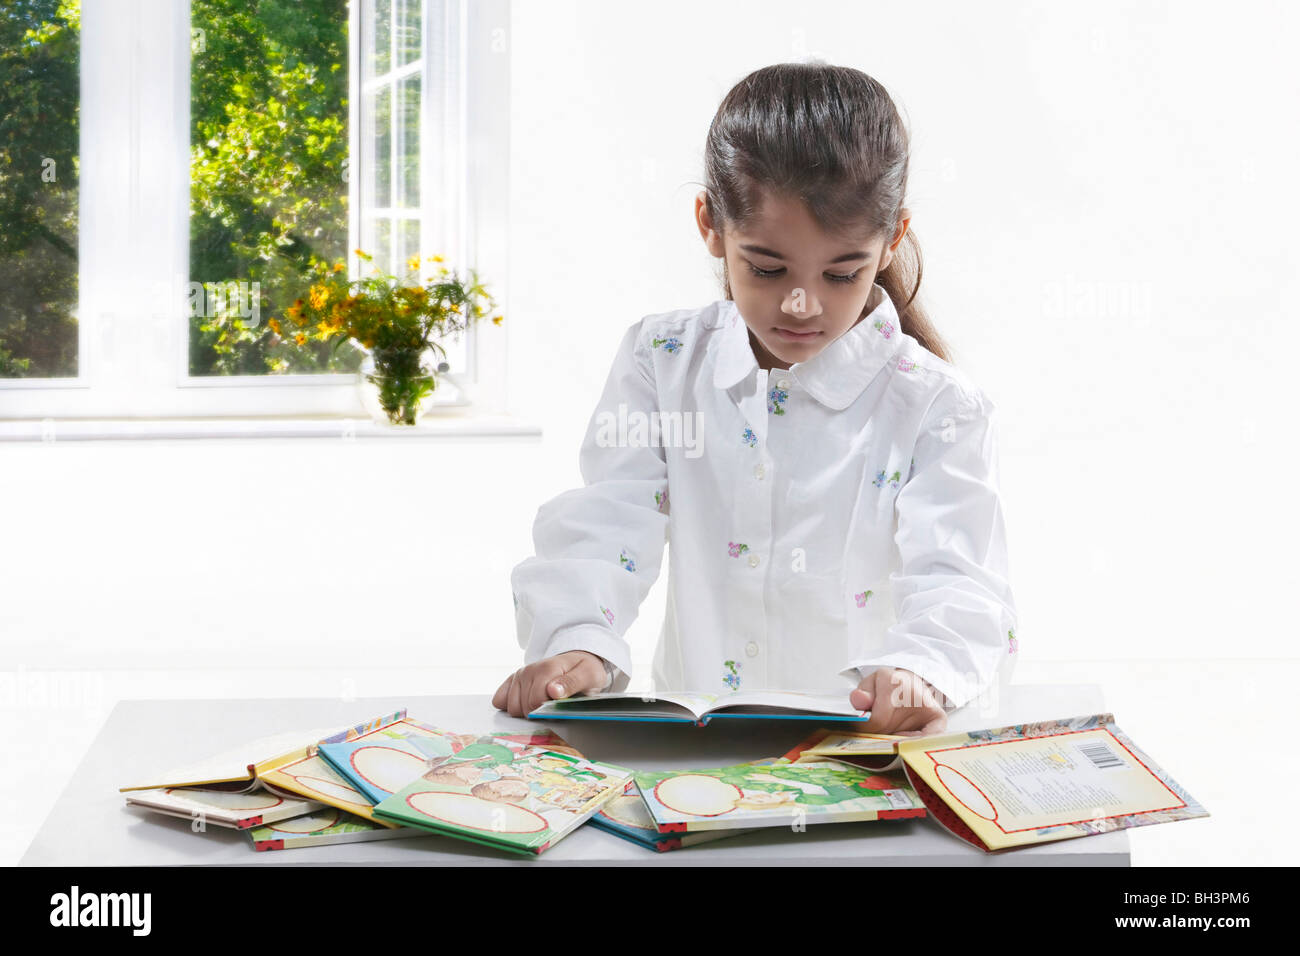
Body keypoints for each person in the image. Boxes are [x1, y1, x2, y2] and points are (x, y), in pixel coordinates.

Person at [493, 61, 1019, 736]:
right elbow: (609, 518)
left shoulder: (938, 405)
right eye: (767, 269)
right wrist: (577, 640)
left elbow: (960, 578)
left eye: (842, 273)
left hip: (864, 754)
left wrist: (924, 666)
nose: (802, 304)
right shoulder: (663, 362)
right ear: (710, 225)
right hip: (692, 758)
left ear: (892, 239)